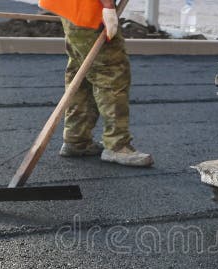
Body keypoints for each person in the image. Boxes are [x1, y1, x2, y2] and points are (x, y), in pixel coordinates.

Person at [56, 0, 153, 167]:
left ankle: (77, 139)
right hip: (90, 7)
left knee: (83, 68)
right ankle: (117, 145)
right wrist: (108, 6)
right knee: (111, 70)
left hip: (74, 6)